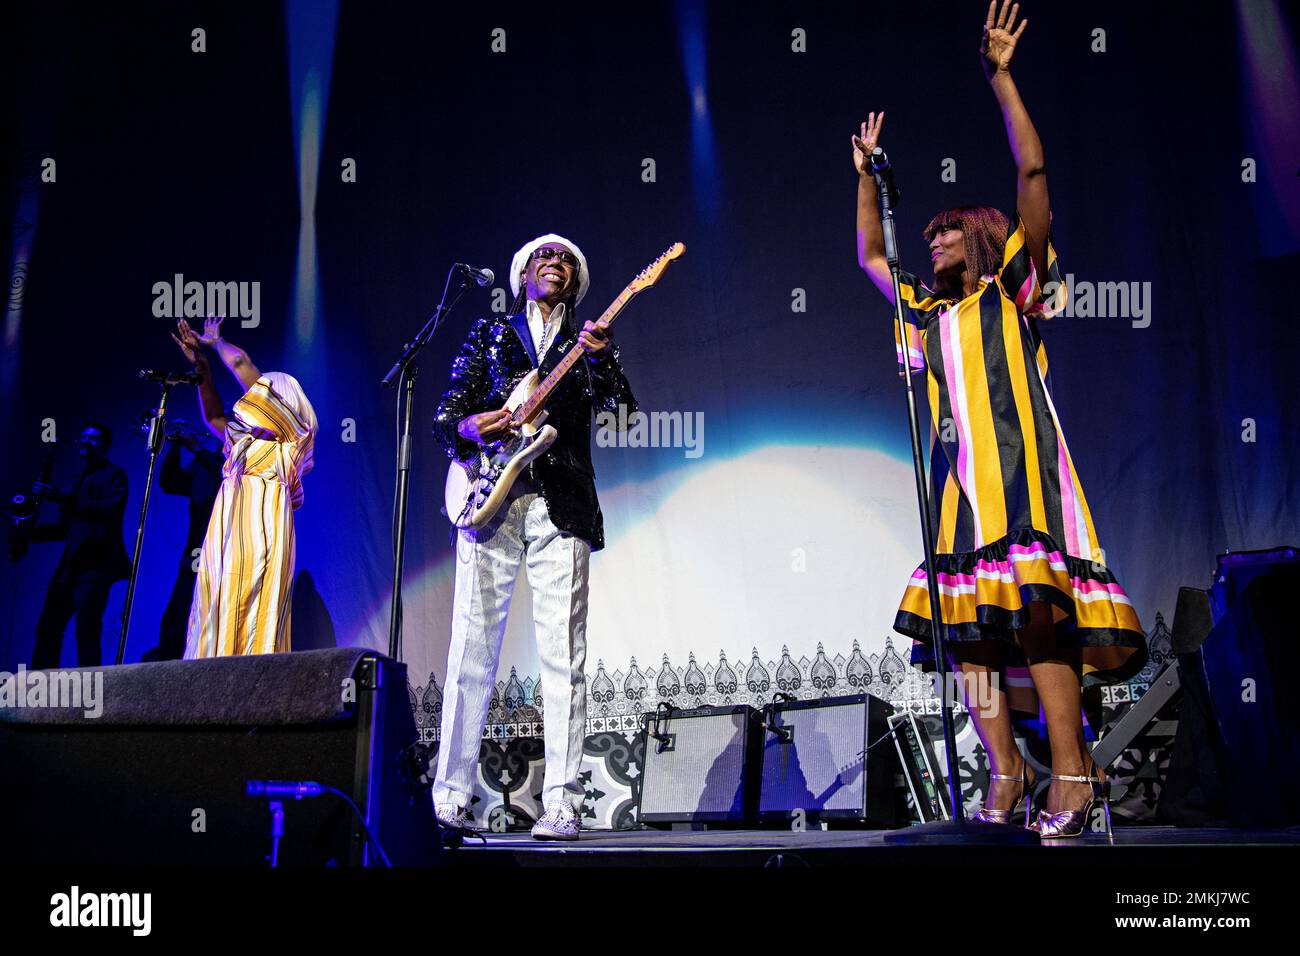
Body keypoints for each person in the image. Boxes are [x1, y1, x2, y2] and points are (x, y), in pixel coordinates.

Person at [853, 1, 1147, 838]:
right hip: (960, 487)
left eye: (949, 233)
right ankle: (1006, 770)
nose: (936, 241)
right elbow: (872, 256)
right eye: (933, 232)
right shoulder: (925, 309)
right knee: (969, 639)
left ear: (982, 242)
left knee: (1036, 614)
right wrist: (868, 174)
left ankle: (1071, 770)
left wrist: (1003, 78)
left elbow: (1034, 178)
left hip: (1022, 473)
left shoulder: (1012, 288)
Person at [430, 234, 636, 840]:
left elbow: (623, 412)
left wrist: (602, 358)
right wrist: (471, 424)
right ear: (522, 274)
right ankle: (450, 798)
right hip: (489, 495)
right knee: (469, 648)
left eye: (569, 259)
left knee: (562, 657)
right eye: (546, 256)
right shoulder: (491, 334)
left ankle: (562, 802)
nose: (558, 263)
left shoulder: (589, 340)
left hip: (562, 505)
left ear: (577, 282)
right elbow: (448, 415)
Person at [171, 316, 317, 658]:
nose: (254, 397)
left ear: (282, 402)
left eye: (264, 392)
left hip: (259, 527)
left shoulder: (293, 436)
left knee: (252, 602)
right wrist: (202, 368)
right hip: (227, 528)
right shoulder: (245, 441)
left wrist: (216, 342)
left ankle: (253, 686)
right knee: (219, 596)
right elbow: (212, 419)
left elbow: (239, 363)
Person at [26, 424, 131, 668]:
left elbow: (109, 510)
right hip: (71, 564)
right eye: (82, 437)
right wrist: (28, 531)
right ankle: (39, 687)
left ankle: (92, 690)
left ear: (105, 446)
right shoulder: (76, 480)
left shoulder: (115, 475)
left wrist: (62, 497)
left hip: (96, 565)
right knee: (48, 627)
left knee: (86, 629)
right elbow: (65, 528)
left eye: (92, 439)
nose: (84, 442)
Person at [148, 420, 222, 661]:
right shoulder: (205, 462)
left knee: (212, 613)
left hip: (224, 548)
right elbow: (171, 483)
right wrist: (176, 446)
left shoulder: (237, 459)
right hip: (195, 551)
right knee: (177, 614)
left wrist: (196, 448)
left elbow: (224, 473)